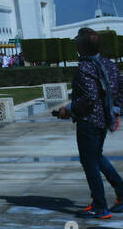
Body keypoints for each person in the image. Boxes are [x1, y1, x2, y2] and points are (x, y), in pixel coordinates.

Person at [52, 28, 123, 219]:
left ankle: (100, 207)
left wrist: (69, 110)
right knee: (97, 157)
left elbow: (89, 98)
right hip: (103, 120)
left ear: (81, 46)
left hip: (89, 122)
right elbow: (119, 89)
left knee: (89, 161)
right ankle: (121, 193)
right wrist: (115, 111)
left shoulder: (85, 68)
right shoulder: (107, 63)